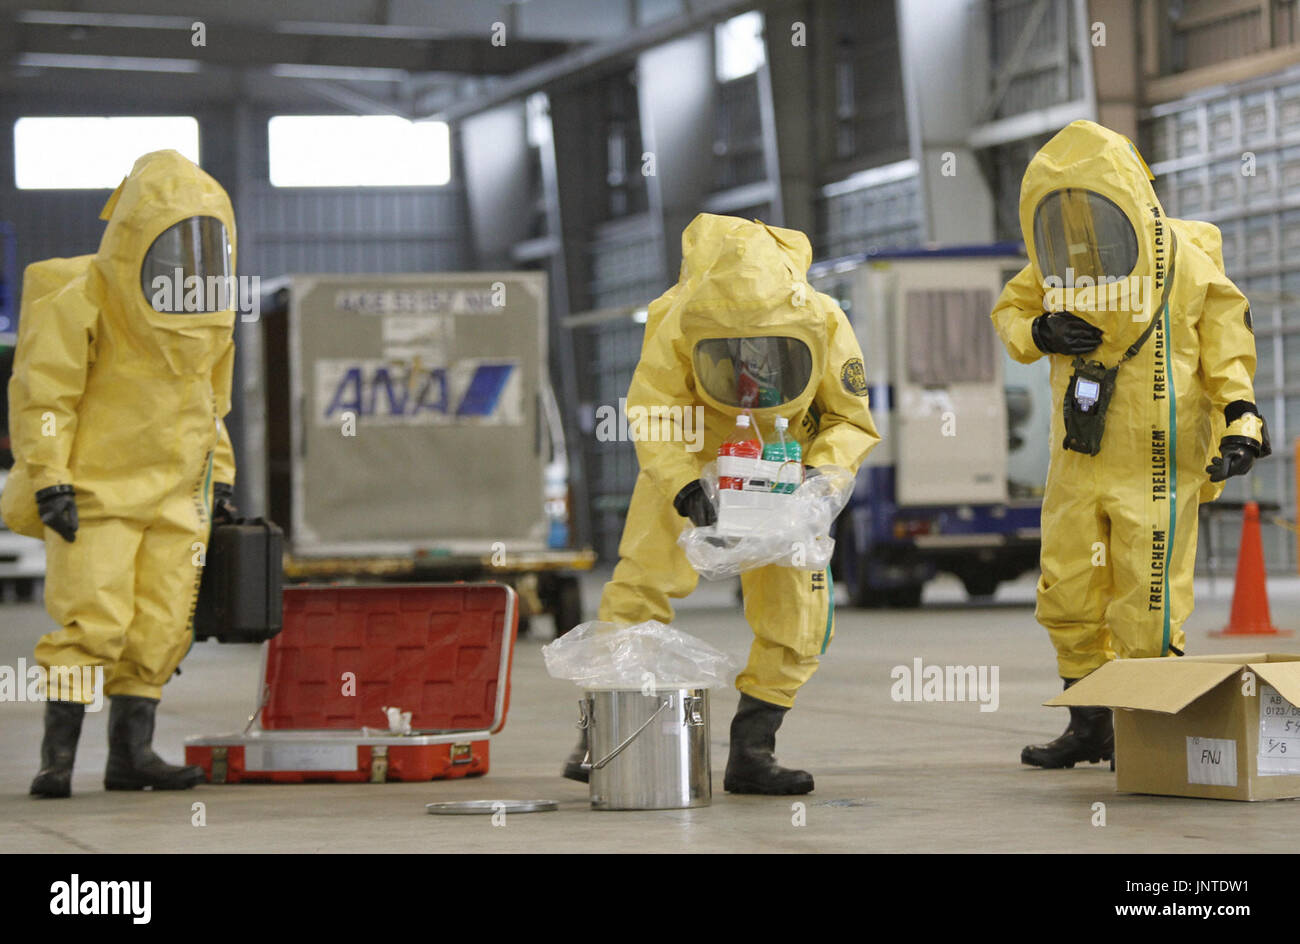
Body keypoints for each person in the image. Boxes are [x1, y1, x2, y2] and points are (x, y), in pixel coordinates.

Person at [564, 213, 880, 794]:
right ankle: (604, 734)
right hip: (688, 463)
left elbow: (847, 416)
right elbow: (656, 408)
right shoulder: (677, 314)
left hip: (784, 468)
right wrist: (684, 483)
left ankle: (752, 750)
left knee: (798, 610)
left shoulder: (823, 316)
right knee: (640, 587)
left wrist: (823, 477)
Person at [990, 121, 1268, 768]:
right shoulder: (1058, 265)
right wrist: (1042, 330)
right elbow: (1009, 316)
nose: (1079, 219)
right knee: (1068, 592)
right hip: (1078, 460)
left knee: (1147, 600)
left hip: (1157, 464)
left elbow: (1229, 350)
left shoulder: (1185, 264)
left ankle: (1145, 731)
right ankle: (1091, 727)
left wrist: (1242, 422)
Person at [3, 150, 240, 797]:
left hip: (177, 495)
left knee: (161, 623)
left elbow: (208, 404)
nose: (189, 254)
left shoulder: (204, 322)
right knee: (92, 623)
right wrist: (50, 476)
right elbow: (43, 395)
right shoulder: (82, 300)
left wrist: (217, 477)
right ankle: (57, 763)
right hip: (96, 493)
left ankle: (130, 756)